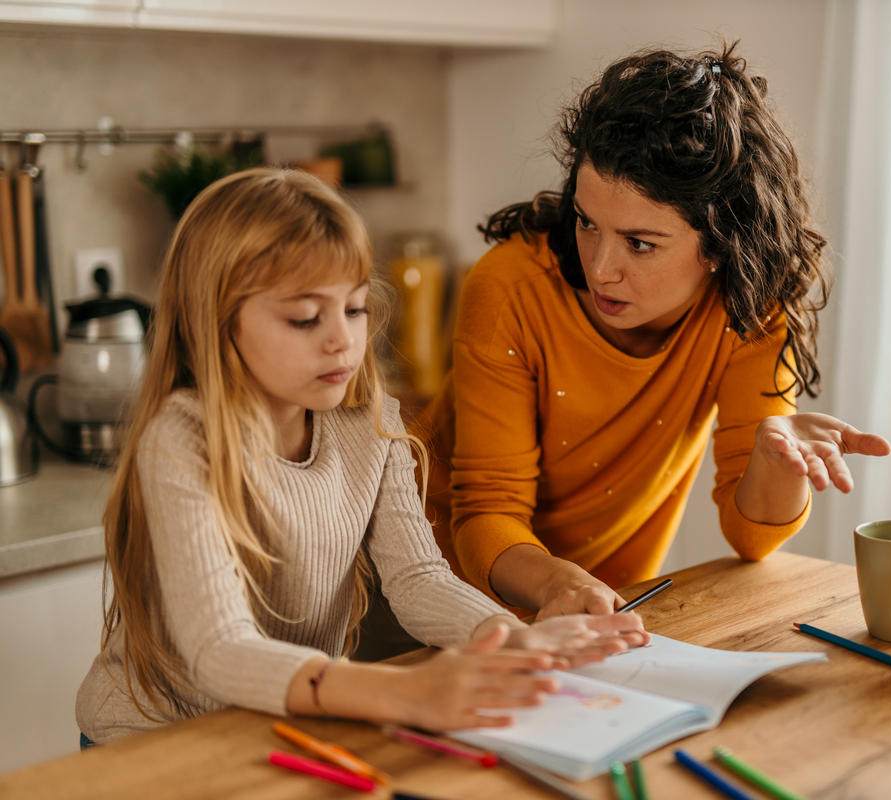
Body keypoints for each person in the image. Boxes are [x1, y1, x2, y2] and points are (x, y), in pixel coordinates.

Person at [75, 168, 647, 746]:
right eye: (305, 318)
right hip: (148, 741)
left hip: (270, 728)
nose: (342, 340)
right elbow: (220, 650)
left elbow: (418, 578)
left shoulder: (366, 417)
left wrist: (505, 637)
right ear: (217, 321)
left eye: (353, 309)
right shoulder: (183, 441)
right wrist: (403, 693)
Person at [419, 41, 891, 619]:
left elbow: (753, 539)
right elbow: (485, 510)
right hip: (433, 589)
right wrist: (560, 587)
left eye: (640, 244)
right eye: (587, 223)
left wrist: (773, 462)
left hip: (599, 609)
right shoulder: (510, 289)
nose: (599, 268)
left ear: (721, 243)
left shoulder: (748, 309)